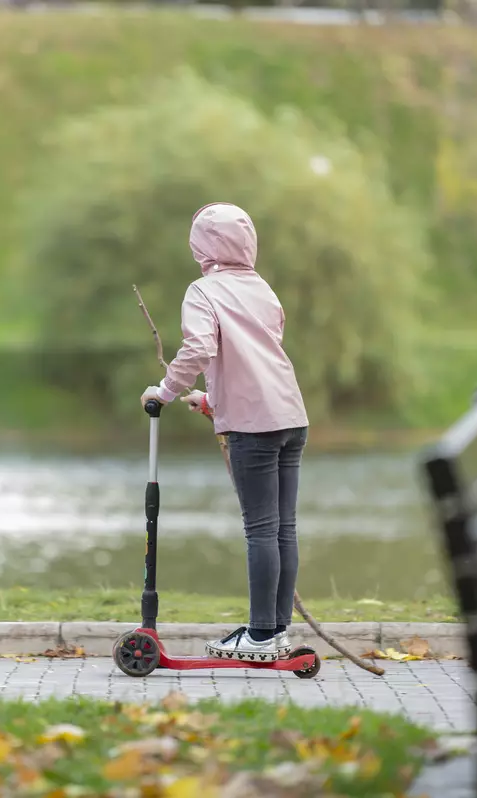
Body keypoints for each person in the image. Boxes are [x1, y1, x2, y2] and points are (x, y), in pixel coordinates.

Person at [140, 201, 309, 663]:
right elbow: (252, 357)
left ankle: (258, 636)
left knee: (260, 528)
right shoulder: (263, 289)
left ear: (201, 246)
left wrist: (167, 390)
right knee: (282, 528)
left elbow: (199, 347)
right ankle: (276, 633)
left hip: (254, 426)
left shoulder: (203, 290)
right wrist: (211, 401)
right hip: (291, 416)